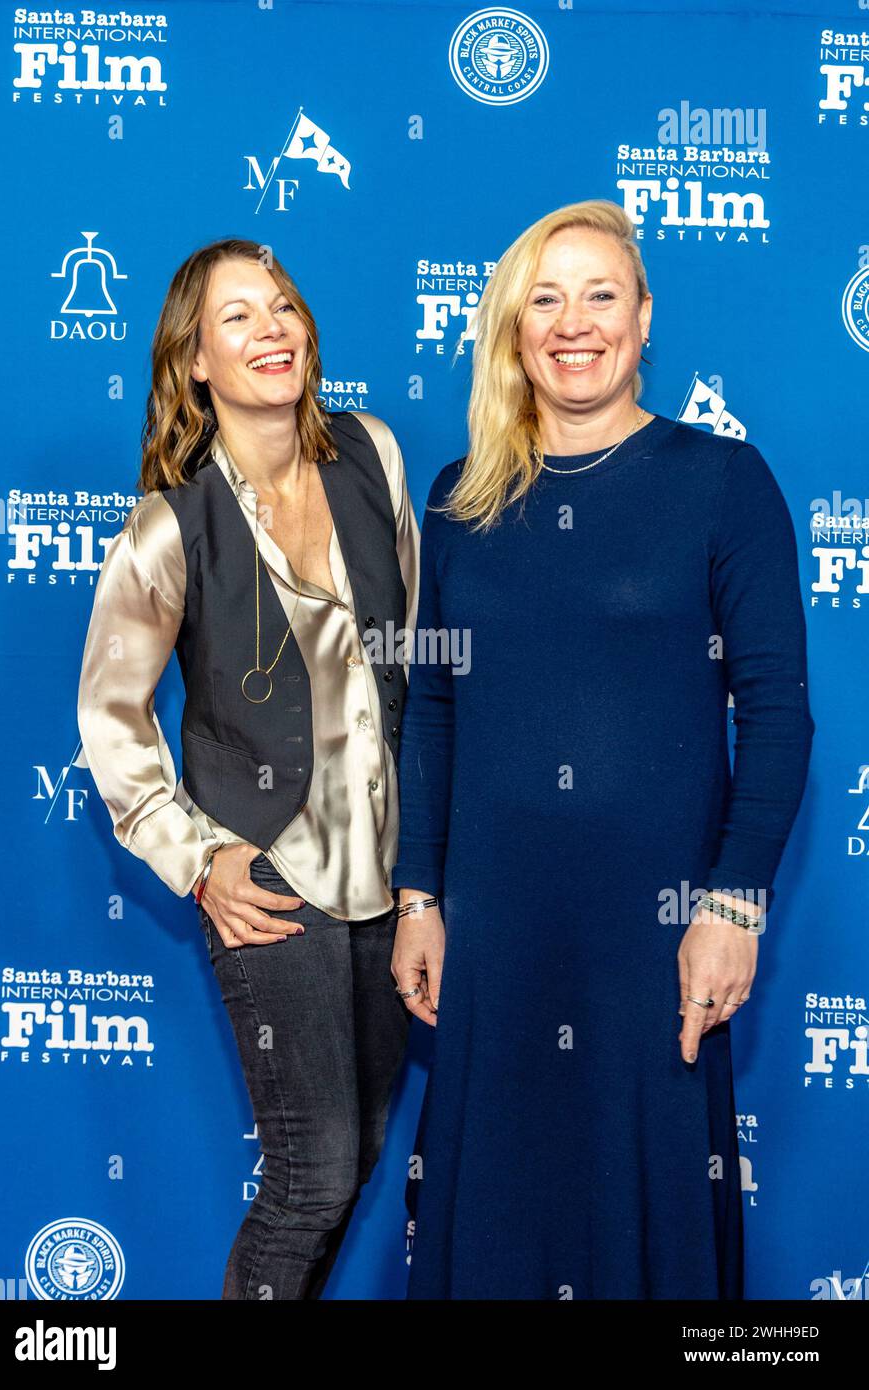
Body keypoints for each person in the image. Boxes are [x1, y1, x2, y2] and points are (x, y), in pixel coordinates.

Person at [390, 199, 815, 1300]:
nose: (572, 323)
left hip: (655, 927)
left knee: (650, 1205)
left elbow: (775, 713)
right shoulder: (456, 497)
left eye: (600, 295)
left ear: (643, 319)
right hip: (493, 925)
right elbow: (430, 705)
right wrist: (417, 896)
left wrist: (729, 908)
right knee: (491, 1206)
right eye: (545, 298)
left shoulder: (721, 481)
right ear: (512, 329)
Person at [77, 238, 418, 1300]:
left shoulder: (372, 454)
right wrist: (197, 858)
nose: (273, 329)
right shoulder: (167, 530)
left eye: (282, 308)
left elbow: (413, 663)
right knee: (312, 1176)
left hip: (392, 881)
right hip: (275, 890)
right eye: (238, 318)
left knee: (358, 1153)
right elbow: (111, 712)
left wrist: (433, 870)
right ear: (192, 362)